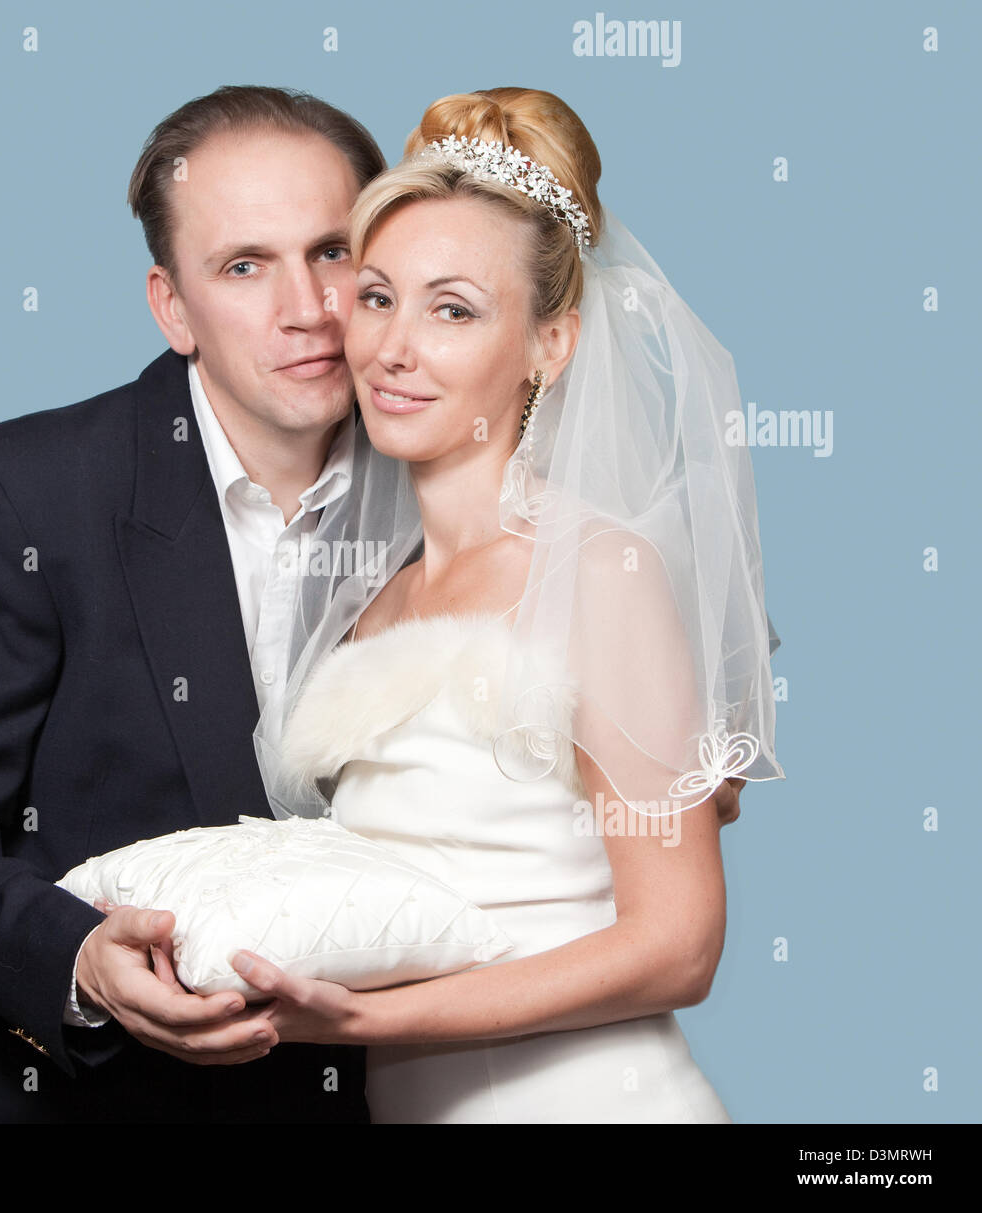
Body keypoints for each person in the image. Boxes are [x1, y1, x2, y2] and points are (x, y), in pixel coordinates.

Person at [0, 85, 389, 1123]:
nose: (307, 309)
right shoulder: (20, 491)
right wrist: (81, 961)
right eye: (243, 264)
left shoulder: (463, 497)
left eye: (331, 250)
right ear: (170, 304)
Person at [236, 87, 786, 1122]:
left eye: (453, 309)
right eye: (377, 296)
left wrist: (363, 1025)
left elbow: (678, 943)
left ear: (551, 344)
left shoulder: (599, 572)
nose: (393, 349)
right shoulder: (377, 598)